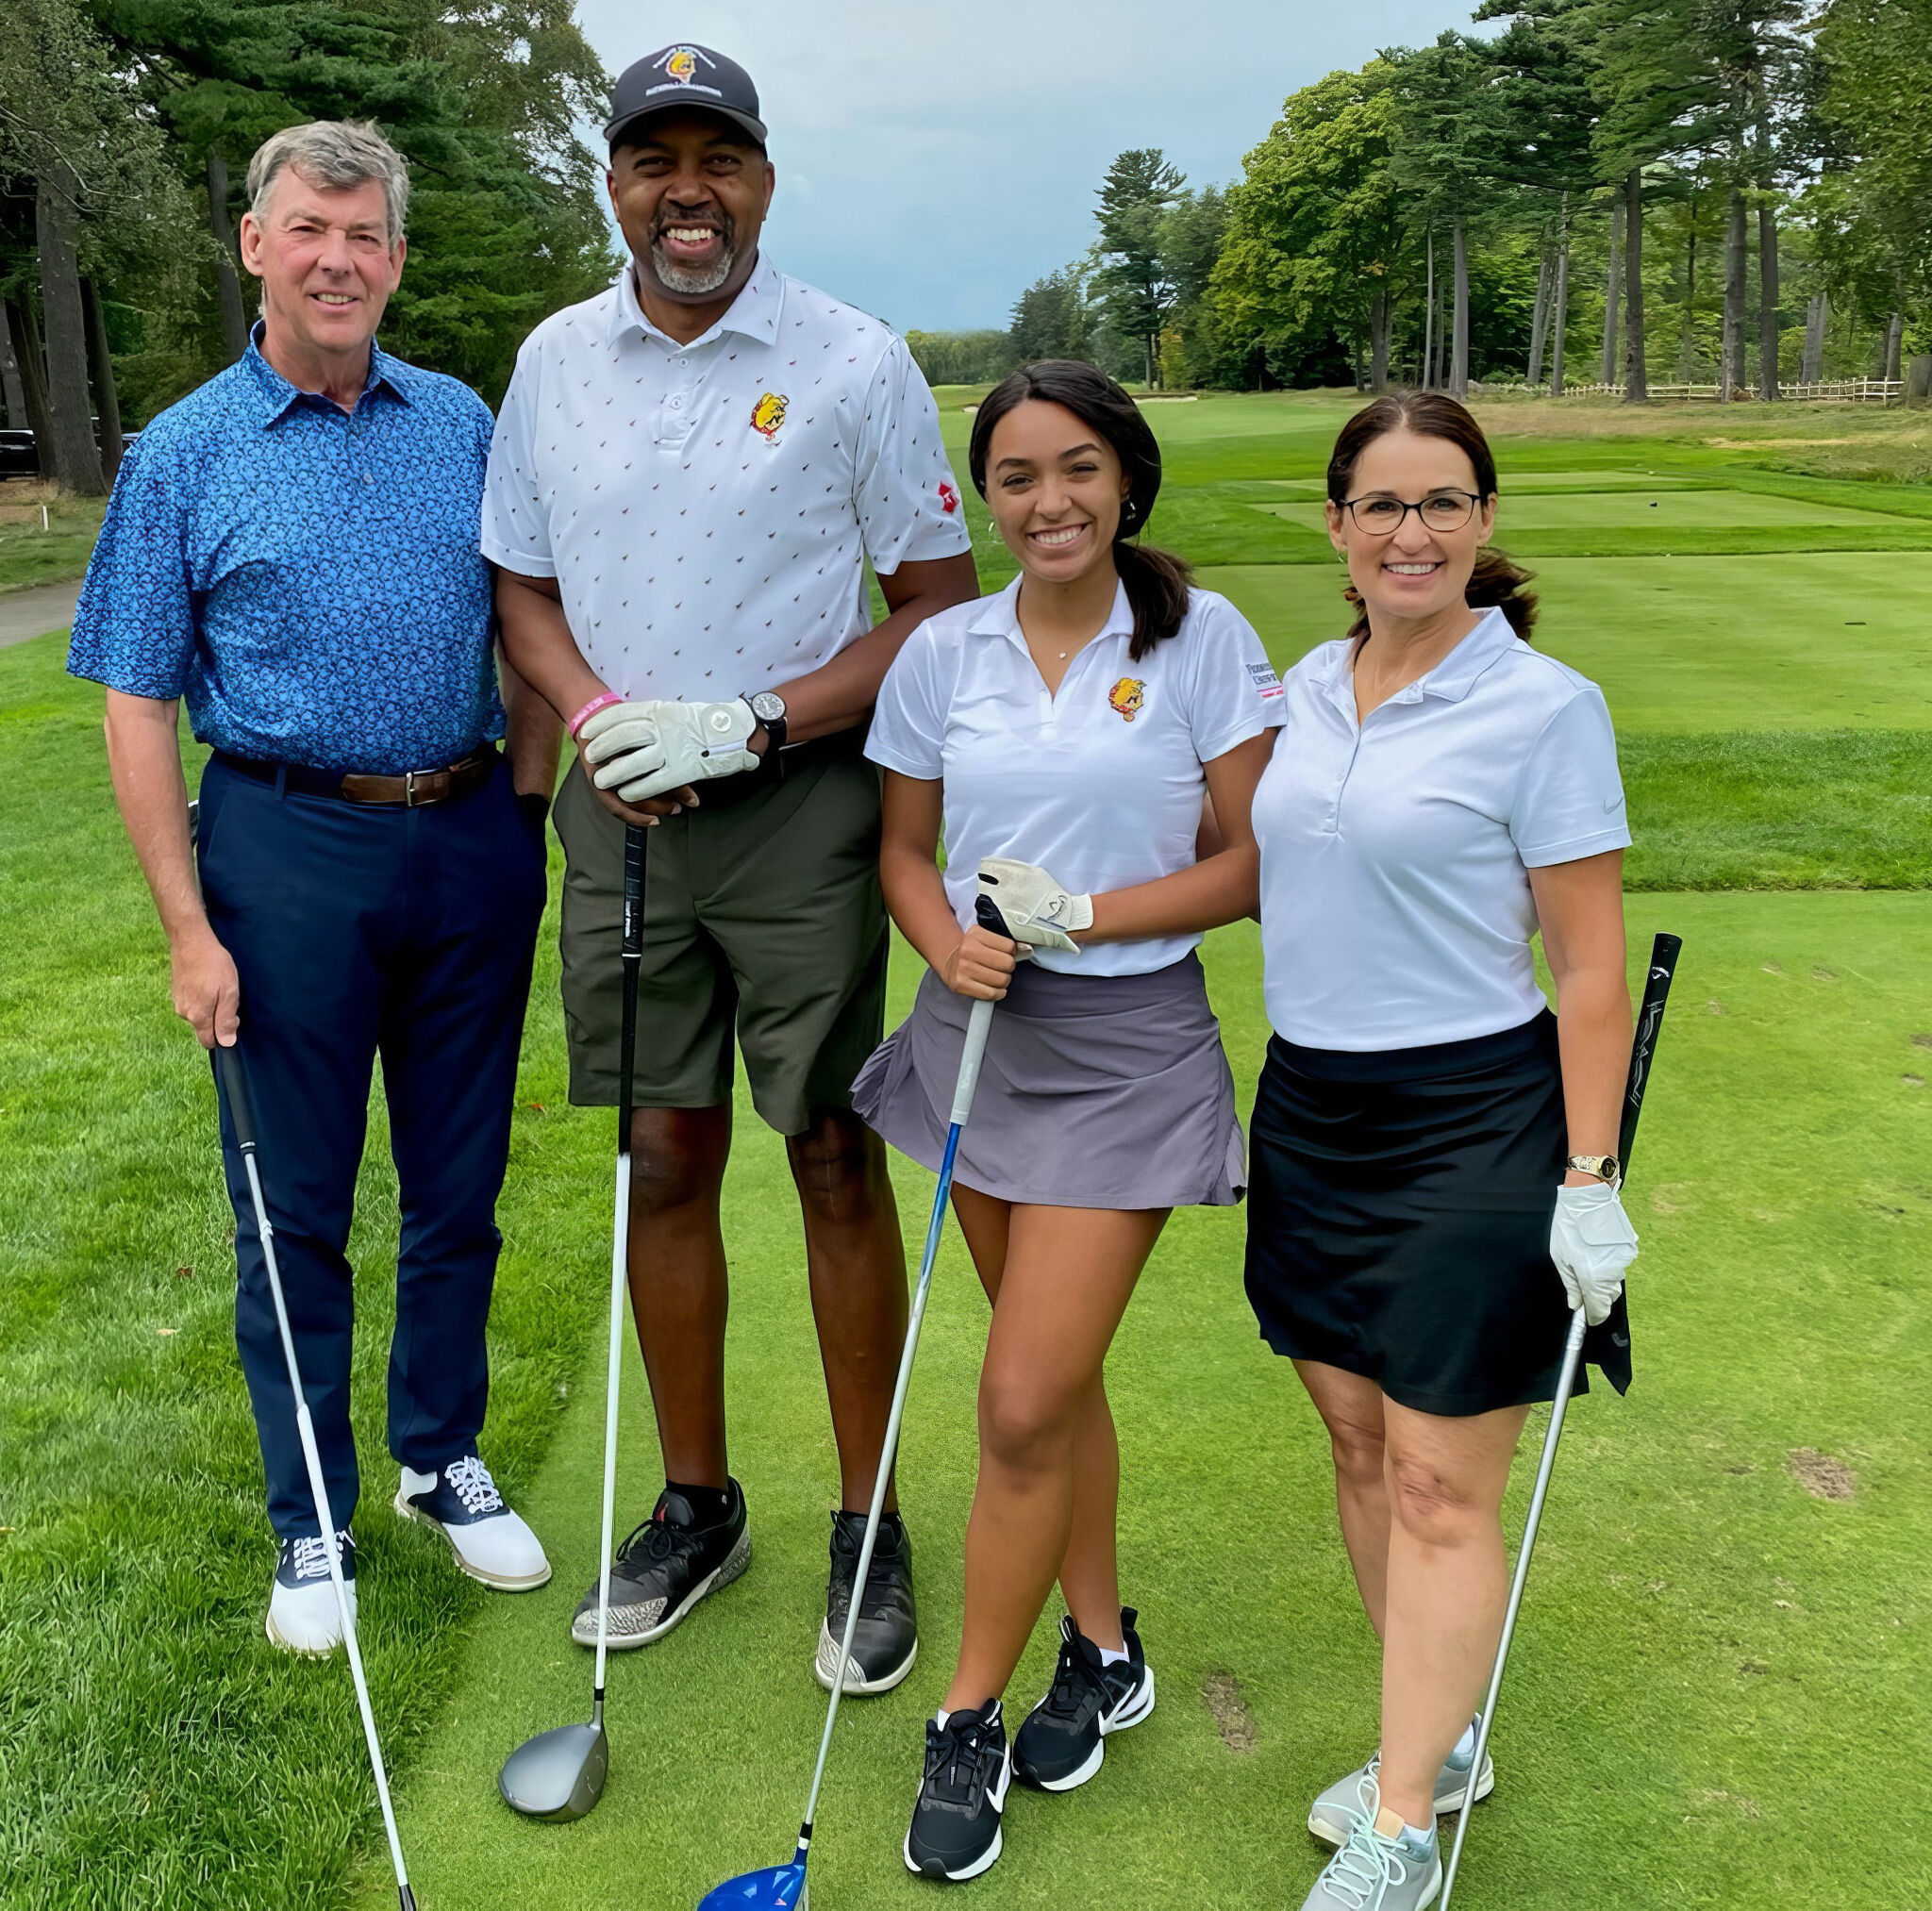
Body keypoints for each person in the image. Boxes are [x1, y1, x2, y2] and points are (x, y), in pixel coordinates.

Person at [483, 42, 978, 1687]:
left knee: (829, 1149)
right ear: (615, 184)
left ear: (763, 179)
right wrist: (596, 715)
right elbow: (521, 584)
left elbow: (934, 608)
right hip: (620, 808)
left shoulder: (852, 358)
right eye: (655, 161)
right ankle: (698, 1503)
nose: (686, 193)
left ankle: (867, 1520)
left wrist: (755, 721)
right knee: (661, 1150)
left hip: (800, 806)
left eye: (719, 161)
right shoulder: (554, 360)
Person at [68, 122, 557, 1656]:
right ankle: (312, 1517)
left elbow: (528, 613)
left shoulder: (460, 419)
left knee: (459, 1183)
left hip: (468, 829)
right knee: (292, 1208)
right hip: (282, 847)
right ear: (257, 246)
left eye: (364, 235)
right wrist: (186, 928)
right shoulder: (184, 451)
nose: (337, 260)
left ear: (395, 259)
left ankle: (436, 1452)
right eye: (308, 229)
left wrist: (526, 808)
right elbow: (137, 698)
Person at [852, 359, 1285, 1883]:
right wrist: (942, 942)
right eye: (1019, 476)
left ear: (1127, 477)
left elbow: (1253, 862)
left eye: (1080, 468)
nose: (1051, 501)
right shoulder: (943, 651)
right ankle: (1103, 1646)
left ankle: (966, 1711)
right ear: (987, 496)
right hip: (978, 1040)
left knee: (1023, 1398)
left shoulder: (1202, 637)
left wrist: (1081, 915)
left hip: (1128, 1051)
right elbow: (905, 850)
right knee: (1056, 1380)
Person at [1244, 391, 1641, 1910]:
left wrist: (1589, 1179)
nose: (1412, 532)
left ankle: (1401, 1821)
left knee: (1436, 1482)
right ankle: (1444, 1737)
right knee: (1358, 1443)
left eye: (1443, 502)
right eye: (1383, 505)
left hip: (1474, 1118)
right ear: (1338, 526)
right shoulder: (1308, 683)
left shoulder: (1546, 706)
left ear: (1482, 521)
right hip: (1311, 1111)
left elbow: (1588, 968)